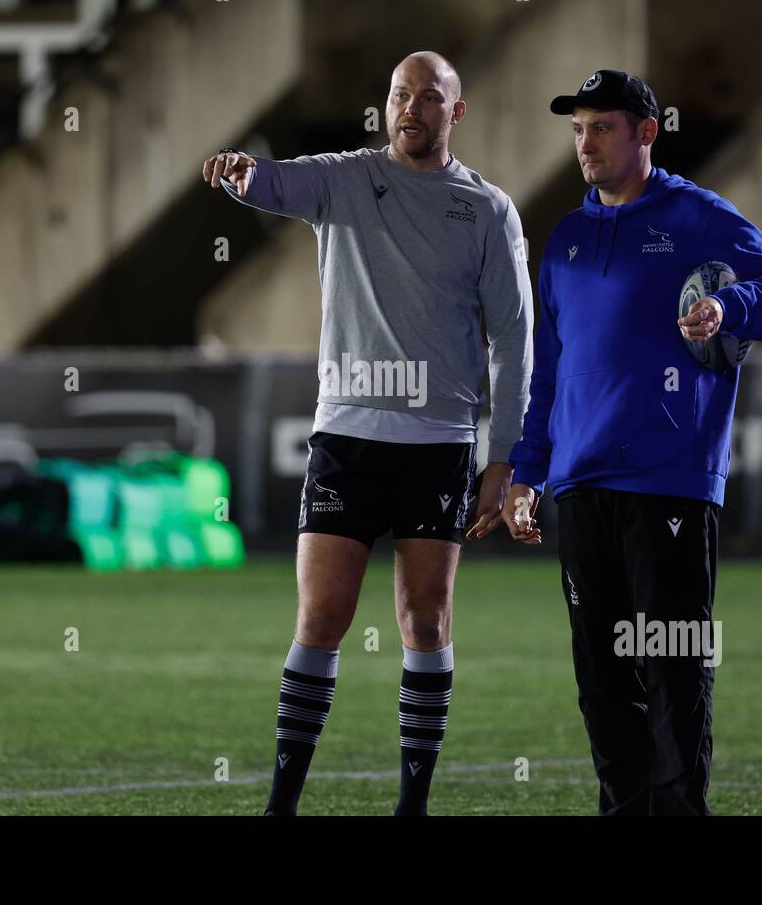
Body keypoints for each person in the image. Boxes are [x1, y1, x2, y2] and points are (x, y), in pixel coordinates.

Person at [202, 51, 533, 815]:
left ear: (457, 113)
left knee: (425, 619)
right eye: (397, 95)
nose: (409, 108)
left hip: (441, 443)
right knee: (321, 617)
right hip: (346, 440)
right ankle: (281, 804)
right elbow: (274, 180)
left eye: (427, 98)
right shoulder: (345, 179)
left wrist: (503, 458)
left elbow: (513, 338)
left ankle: (411, 806)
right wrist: (239, 172)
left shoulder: (486, 210)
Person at [501, 69, 762, 815]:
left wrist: (729, 304)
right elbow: (549, 376)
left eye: (601, 127)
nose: (585, 143)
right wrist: (525, 474)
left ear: (646, 132)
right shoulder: (567, 239)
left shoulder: (700, 218)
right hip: (578, 491)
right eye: (577, 129)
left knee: (672, 673)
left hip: (668, 484)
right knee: (602, 686)